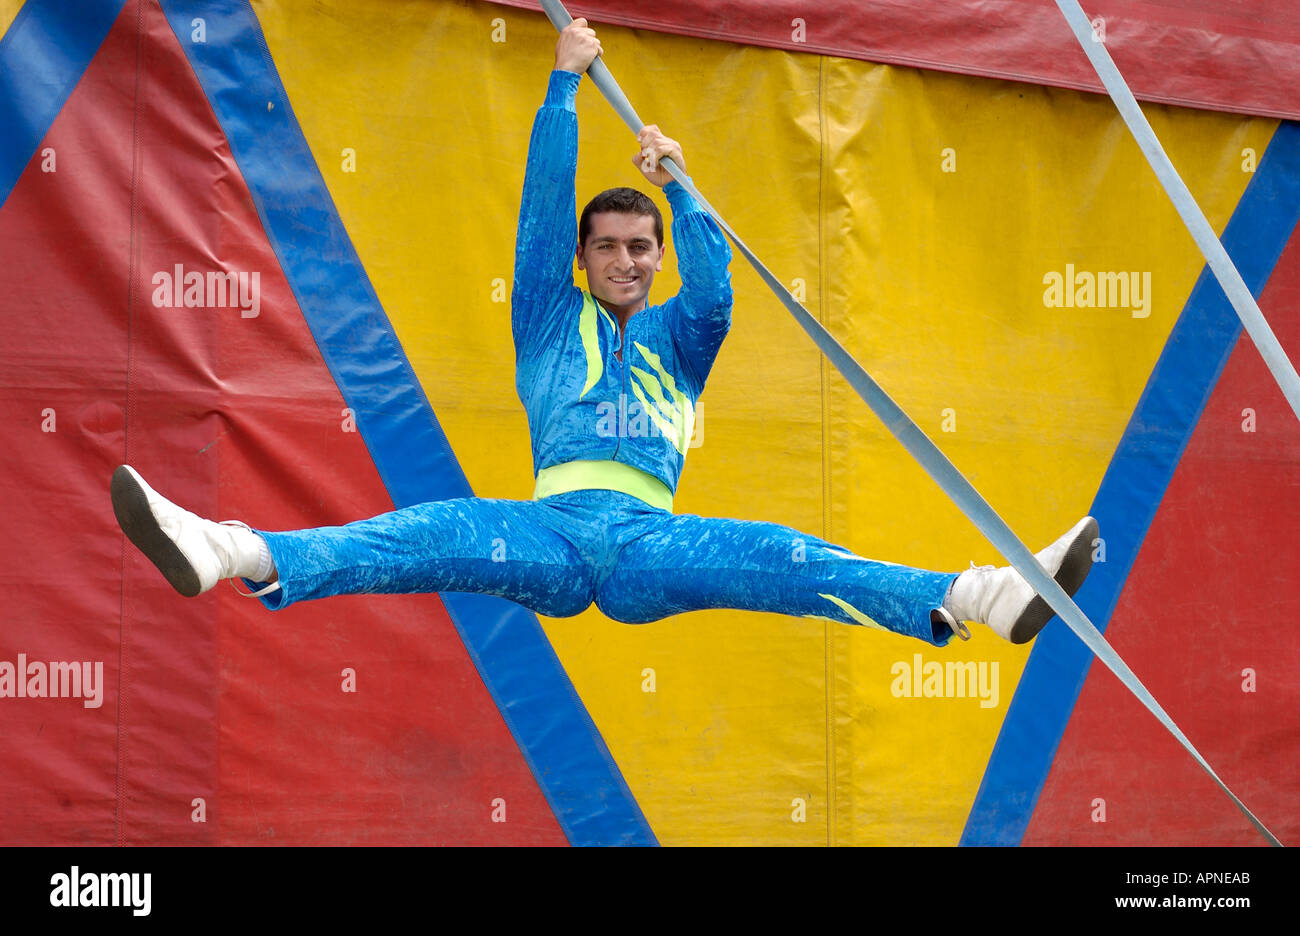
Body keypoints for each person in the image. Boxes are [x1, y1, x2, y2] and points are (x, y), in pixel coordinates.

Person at [110, 19, 1098, 648]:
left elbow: (717, 294)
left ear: (658, 258)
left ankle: (979, 596)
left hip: (648, 546)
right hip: (545, 528)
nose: (627, 259)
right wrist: (563, 89)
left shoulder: (680, 337)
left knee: (790, 560)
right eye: (610, 246)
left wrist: (687, 191)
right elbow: (541, 217)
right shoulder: (547, 316)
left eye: (642, 247)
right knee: (416, 535)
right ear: (585, 260)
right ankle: (230, 550)